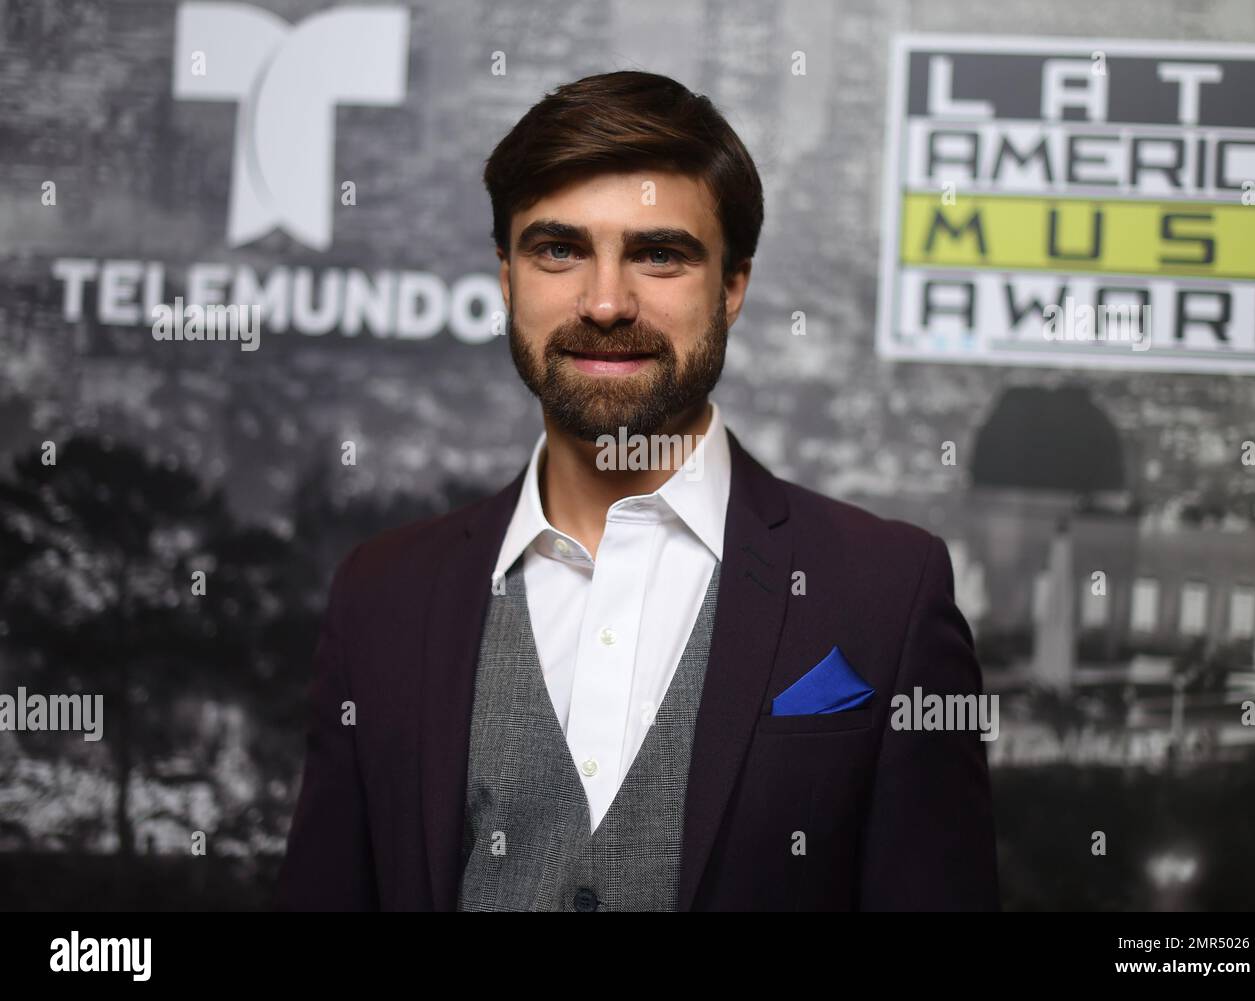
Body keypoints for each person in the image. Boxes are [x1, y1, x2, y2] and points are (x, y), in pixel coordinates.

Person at [275, 70, 999, 911]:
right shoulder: (384, 595)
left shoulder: (888, 592)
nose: (607, 301)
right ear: (508, 279)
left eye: (658, 253)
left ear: (732, 288)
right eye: (560, 249)